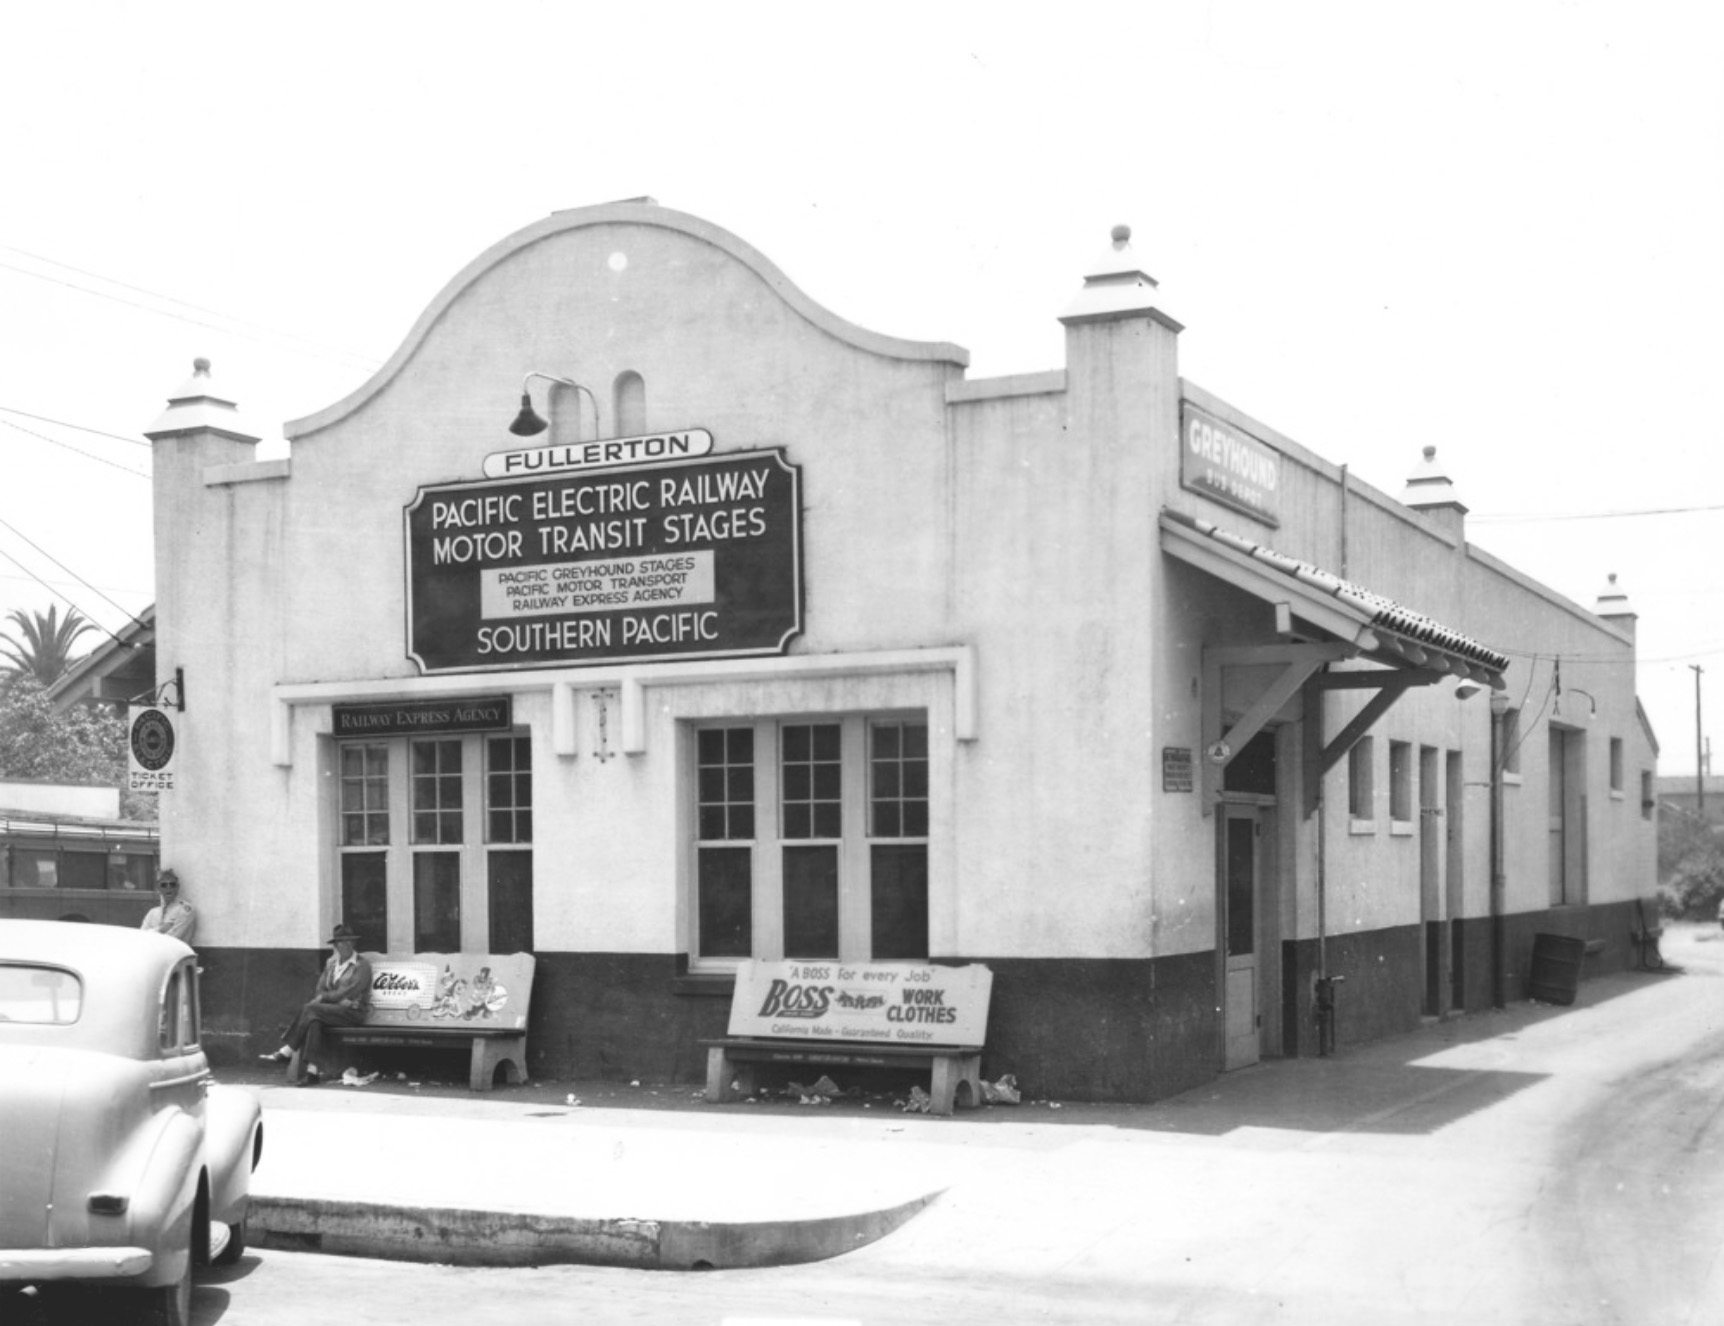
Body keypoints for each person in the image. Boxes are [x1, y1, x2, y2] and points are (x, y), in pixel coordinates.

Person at [259, 924, 372, 1085]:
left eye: (350, 942)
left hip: (353, 1012)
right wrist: (330, 998)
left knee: (310, 1009)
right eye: (342, 942)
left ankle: (288, 1050)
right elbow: (319, 989)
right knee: (314, 1020)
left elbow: (350, 992)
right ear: (336, 946)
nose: (347, 945)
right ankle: (313, 1073)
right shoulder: (332, 964)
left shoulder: (362, 966)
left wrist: (326, 997)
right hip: (333, 1011)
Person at [139, 869, 196, 946]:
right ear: (158, 888)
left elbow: (171, 940)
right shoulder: (153, 912)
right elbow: (141, 937)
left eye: (172, 884)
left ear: (177, 887)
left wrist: (152, 932)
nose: (168, 887)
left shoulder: (185, 910)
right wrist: (160, 929)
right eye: (164, 885)